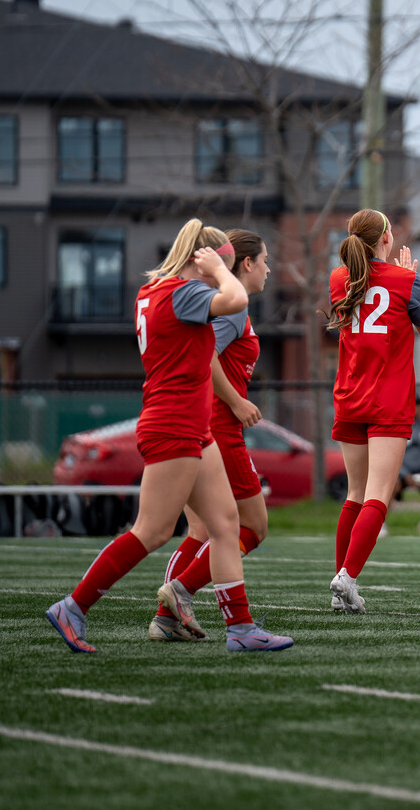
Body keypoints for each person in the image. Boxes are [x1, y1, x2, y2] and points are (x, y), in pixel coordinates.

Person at [45, 220, 292, 653]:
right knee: (153, 530)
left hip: (193, 424)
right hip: (173, 422)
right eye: (223, 262)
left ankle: (241, 630)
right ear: (204, 259)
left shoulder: (156, 290)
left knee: (225, 524)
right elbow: (233, 299)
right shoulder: (183, 291)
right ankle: (73, 606)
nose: (227, 272)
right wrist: (218, 270)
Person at [326, 208, 420, 614]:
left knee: (354, 494)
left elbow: (368, 292)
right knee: (379, 494)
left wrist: (399, 278)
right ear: (385, 238)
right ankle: (346, 577)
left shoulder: (337, 278)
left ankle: (342, 585)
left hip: (349, 395)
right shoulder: (405, 280)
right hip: (387, 399)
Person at [149, 228, 273, 642]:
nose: (270, 270)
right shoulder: (233, 307)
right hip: (217, 428)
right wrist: (237, 401)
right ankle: (181, 595)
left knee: (202, 530)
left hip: (204, 425)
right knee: (250, 527)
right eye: (265, 261)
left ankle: (166, 617)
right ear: (247, 264)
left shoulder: (229, 304)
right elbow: (207, 357)